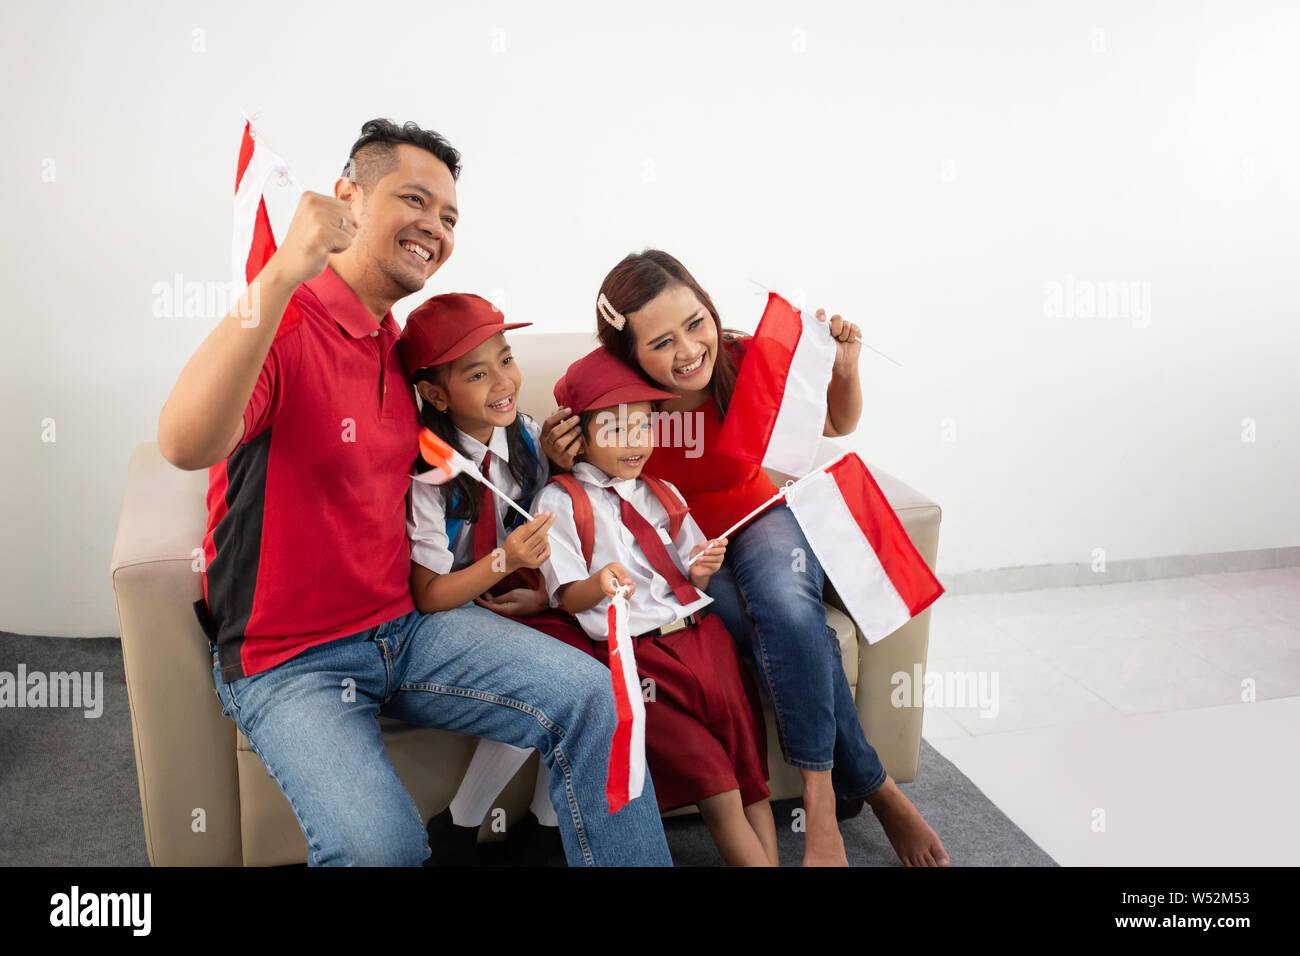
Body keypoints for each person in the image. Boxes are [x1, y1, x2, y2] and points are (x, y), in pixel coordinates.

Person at [157, 118, 671, 866]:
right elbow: (184, 443)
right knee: (382, 850)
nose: (434, 226)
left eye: (450, 216)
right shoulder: (282, 324)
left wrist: (559, 449)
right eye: (414, 200)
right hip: (289, 660)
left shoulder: (403, 353)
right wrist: (280, 273)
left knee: (596, 697)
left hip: (409, 628)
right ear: (347, 200)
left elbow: (484, 435)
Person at [542, 248, 950, 867]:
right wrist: (553, 452)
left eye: (695, 322)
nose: (688, 351)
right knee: (757, 630)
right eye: (662, 342)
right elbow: (575, 493)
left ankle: (818, 808)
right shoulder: (610, 395)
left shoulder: (740, 359)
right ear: (628, 353)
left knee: (786, 605)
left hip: (761, 518)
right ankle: (877, 786)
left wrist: (843, 365)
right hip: (682, 556)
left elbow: (837, 423)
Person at [531, 346, 779, 867]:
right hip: (641, 657)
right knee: (716, 782)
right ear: (579, 434)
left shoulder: (662, 491)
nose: (634, 442)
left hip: (704, 640)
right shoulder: (560, 501)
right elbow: (566, 594)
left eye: (643, 427)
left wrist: (702, 566)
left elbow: (685, 568)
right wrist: (598, 584)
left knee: (748, 771)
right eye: (616, 429)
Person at [399, 291, 586, 865]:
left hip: (515, 595)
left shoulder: (525, 436)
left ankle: (546, 827)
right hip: (455, 604)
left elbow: (545, 523)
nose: (503, 381)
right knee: (535, 678)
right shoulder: (428, 472)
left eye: (505, 359)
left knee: (585, 654)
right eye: (477, 373)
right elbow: (430, 597)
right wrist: (502, 561)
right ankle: (457, 826)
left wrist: (538, 592)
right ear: (435, 393)